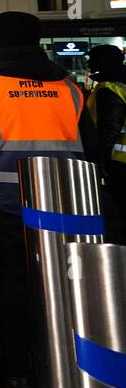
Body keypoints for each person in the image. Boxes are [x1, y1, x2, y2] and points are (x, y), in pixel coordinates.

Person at [0, 11, 95, 388]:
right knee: (62, 283)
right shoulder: (71, 88)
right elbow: (92, 150)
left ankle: (16, 368)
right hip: (67, 203)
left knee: (12, 282)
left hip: (2, 202)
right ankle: (64, 363)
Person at [86, 44, 126, 242]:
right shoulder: (121, 83)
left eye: (92, 58)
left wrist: (100, 163)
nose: (88, 63)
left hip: (119, 162)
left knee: (118, 213)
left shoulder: (109, 88)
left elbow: (109, 129)